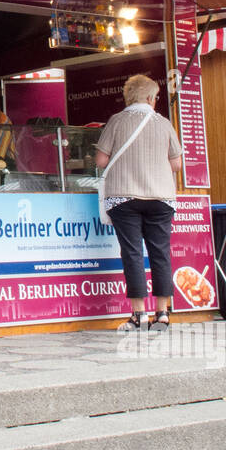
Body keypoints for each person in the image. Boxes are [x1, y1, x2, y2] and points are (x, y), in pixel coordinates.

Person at [95, 74, 183, 331]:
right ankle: (163, 313)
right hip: (160, 197)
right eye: (155, 97)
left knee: (132, 253)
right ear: (149, 98)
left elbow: (101, 161)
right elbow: (176, 164)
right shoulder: (164, 123)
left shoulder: (116, 121)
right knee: (160, 252)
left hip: (124, 196)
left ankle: (139, 315)